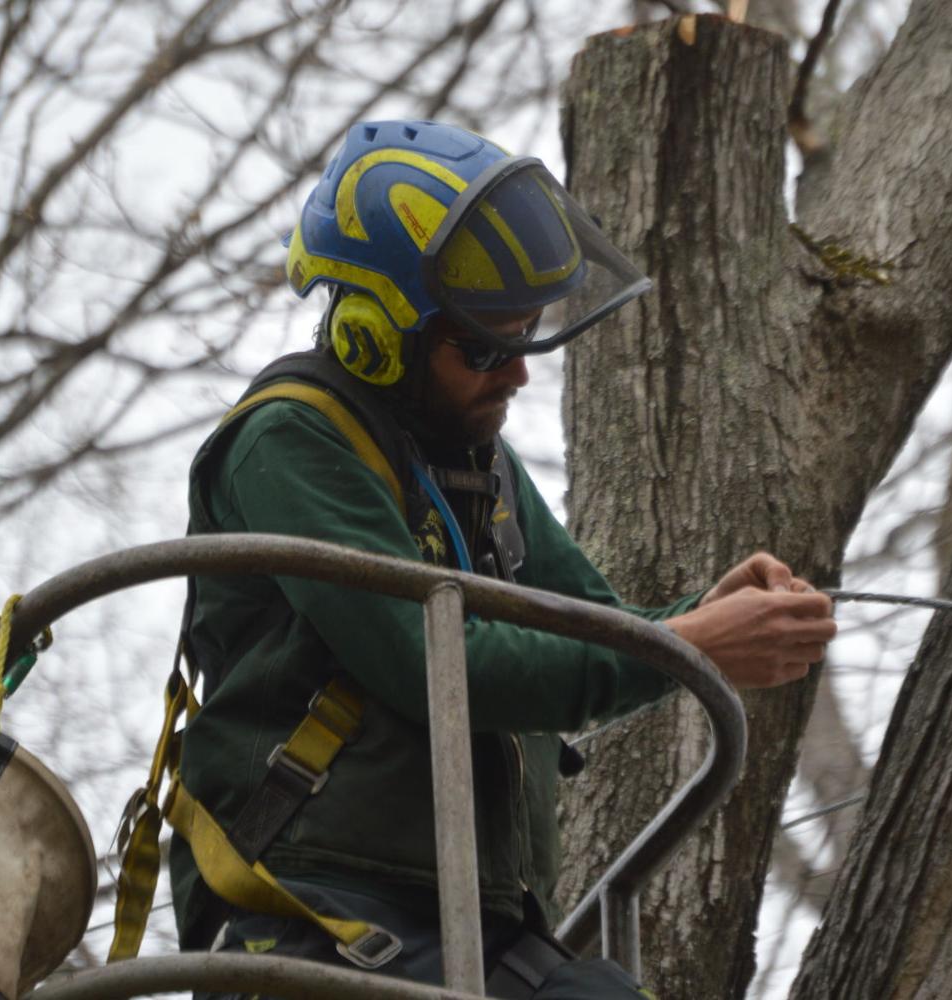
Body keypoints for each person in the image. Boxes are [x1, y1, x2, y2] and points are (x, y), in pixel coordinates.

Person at [171, 119, 837, 999]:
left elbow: (589, 629)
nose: (516, 374)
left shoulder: (479, 461)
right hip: (307, 903)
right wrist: (697, 644)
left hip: (475, 921)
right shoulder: (292, 441)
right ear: (377, 332)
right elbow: (428, 660)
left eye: (524, 336)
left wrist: (687, 619)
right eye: (484, 347)